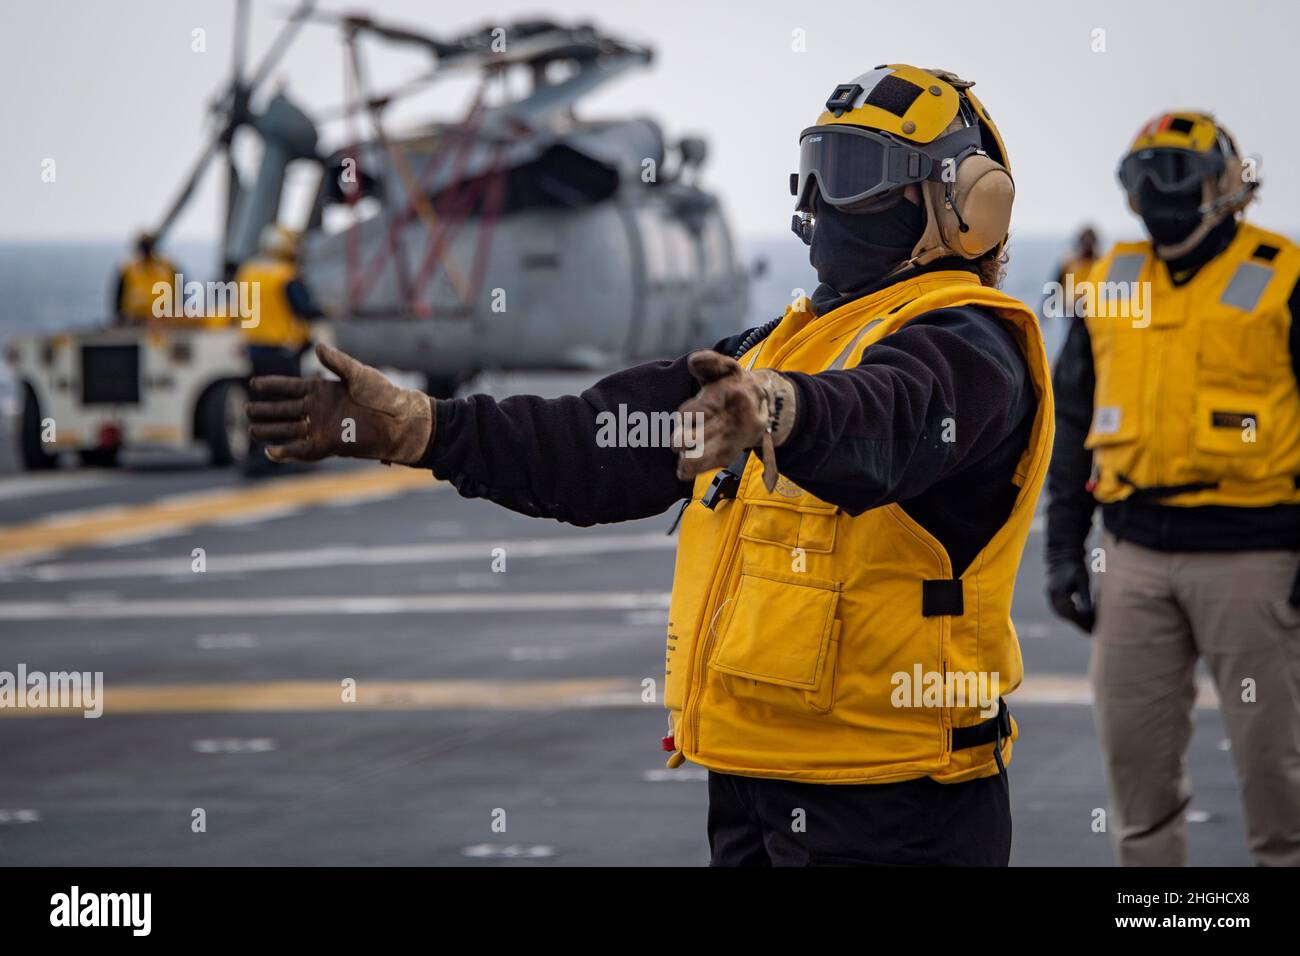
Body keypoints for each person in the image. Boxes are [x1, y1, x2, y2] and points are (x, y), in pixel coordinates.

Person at [248, 65, 1054, 866]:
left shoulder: (972, 347)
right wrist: (421, 429)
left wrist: (777, 410)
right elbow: (594, 442)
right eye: (815, 171)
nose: (816, 205)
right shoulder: (774, 347)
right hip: (749, 783)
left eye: (852, 178)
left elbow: (886, 425)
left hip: (895, 802)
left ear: (961, 202)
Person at [1046, 111, 1300, 866]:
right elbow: (1073, 425)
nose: (1158, 192)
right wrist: (1064, 553)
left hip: (1253, 558)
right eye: (1142, 176)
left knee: (1275, 773)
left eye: (1177, 174)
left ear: (1223, 186)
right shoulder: (1107, 286)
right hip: (1132, 560)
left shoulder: (1281, 273)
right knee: (1136, 776)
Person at [236, 223, 324, 474]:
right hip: (282, 351)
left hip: (254, 349)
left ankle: (256, 458)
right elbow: (304, 309)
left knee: (260, 406)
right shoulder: (285, 275)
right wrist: (324, 311)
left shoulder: (248, 271)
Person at [113, 232, 178, 324]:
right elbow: (118, 299)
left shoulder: (168, 267)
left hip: (163, 319)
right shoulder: (128, 269)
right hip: (135, 319)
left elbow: (180, 293)